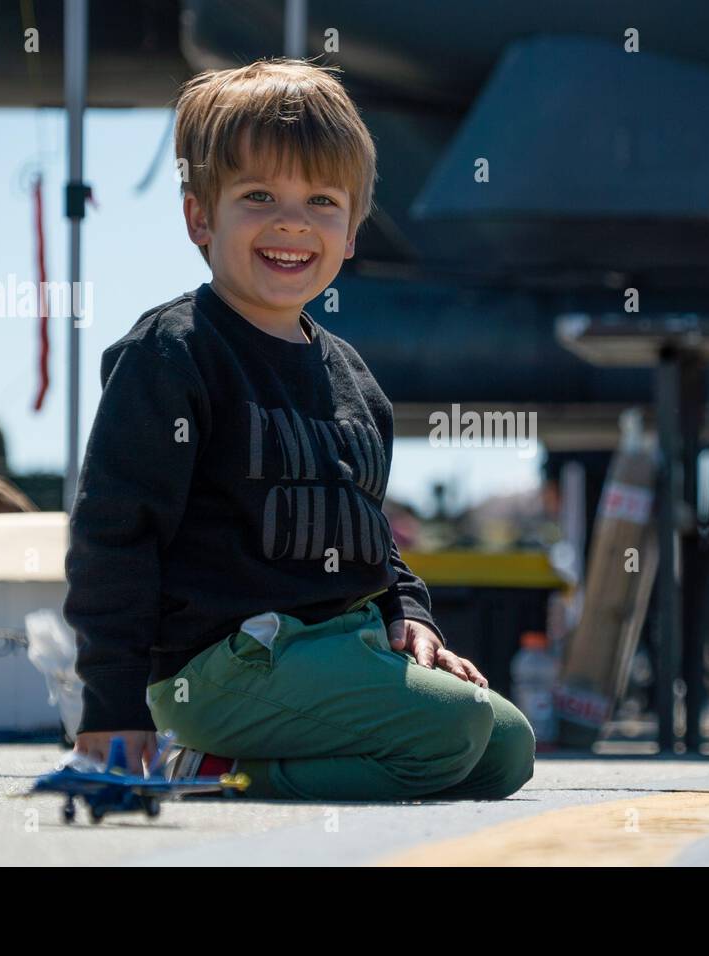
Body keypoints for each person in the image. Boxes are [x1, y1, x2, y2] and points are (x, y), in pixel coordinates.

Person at [62, 59, 535, 801]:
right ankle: (212, 768)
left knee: (505, 749)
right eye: (258, 196)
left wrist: (410, 618)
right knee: (454, 731)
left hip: (336, 651)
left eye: (322, 200)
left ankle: (233, 770)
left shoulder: (355, 379)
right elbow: (115, 538)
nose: (292, 222)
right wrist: (112, 706)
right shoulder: (173, 354)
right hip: (220, 667)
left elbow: (371, 538)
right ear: (199, 217)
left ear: (351, 233)